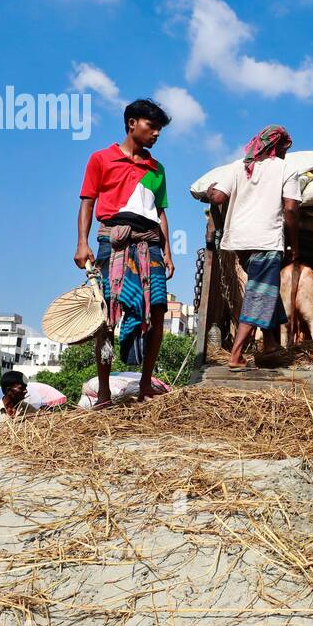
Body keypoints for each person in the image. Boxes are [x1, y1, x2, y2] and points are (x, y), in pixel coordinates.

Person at [75, 99, 174, 405]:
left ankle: (145, 383)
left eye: (159, 128)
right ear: (132, 123)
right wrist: (82, 242)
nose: (156, 133)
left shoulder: (157, 169)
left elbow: (160, 212)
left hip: (151, 243)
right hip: (112, 240)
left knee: (157, 311)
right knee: (106, 316)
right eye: (151, 126)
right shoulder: (100, 159)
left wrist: (169, 251)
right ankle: (104, 390)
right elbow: (87, 201)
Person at [205, 125, 302, 370]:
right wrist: (295, 244)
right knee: (259, 294)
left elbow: (217, 197)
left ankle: (270, 344)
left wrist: (209, 190)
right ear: (280, 147)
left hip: (240, 244)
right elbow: (290, 208)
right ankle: (236, 354)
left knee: (265, 289)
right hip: (267, 242)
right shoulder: (286, 169)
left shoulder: (239, 166)